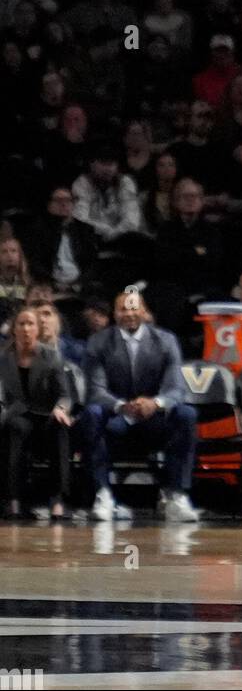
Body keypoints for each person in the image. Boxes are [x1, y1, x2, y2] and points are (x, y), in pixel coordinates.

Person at [78, 289, 199, 522]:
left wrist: (156, 402)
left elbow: (176, 390)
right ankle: (102, 494)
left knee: (186, 414)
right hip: (116, 419)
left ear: (144, 311)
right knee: (91, 414)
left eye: (134, 308)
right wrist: (122, 406)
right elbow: (95, 391)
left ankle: (176, 495)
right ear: (114, 314)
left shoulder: (166, 340)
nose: (129, 313)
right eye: (123, 308)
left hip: (154, 418)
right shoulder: (98, 342)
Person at [0, 307, 73, 519]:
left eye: (30, 324)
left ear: (37, 329)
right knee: (16, 427)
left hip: (46, 415)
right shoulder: (3, 357)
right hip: (17, 415)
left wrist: (60, 409)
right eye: (21, 324)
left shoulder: (51, 356)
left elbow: (64, 395)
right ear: (13, 329)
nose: (25, 328)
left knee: (60, 427)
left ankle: (58, 499)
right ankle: (14, 499)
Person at [24, 185, 98, 295]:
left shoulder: (85, 230)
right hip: (48, 285)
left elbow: (92, 263)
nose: (64, 204)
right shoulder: (37, 231)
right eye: (58, 200)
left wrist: (79, 283)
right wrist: (53, 283)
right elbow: (35, 263)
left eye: (68, 200)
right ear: (49, 205)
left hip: (81, 286)